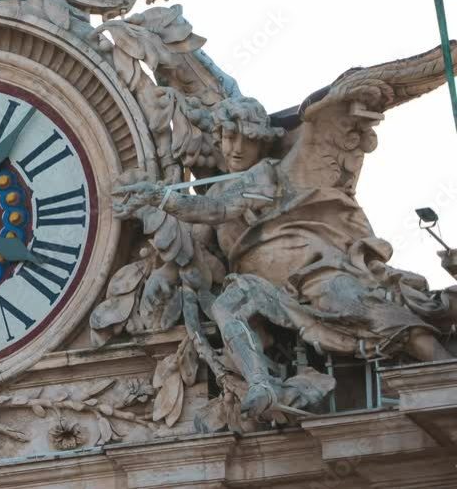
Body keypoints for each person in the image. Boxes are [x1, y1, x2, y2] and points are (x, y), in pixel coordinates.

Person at [116, 97, 451, 416]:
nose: (236, 148)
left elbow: (216, 209)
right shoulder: (219, 187)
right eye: (229, 137)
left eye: (247, 139)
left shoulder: (266, 175)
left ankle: (444, 367)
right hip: (265, 290)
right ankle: (263, 385)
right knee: (226, 305)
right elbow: (193, 250)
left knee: (370, 313)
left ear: (263, 142)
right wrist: (164, 274)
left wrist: (163, 199)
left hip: (313, 275)